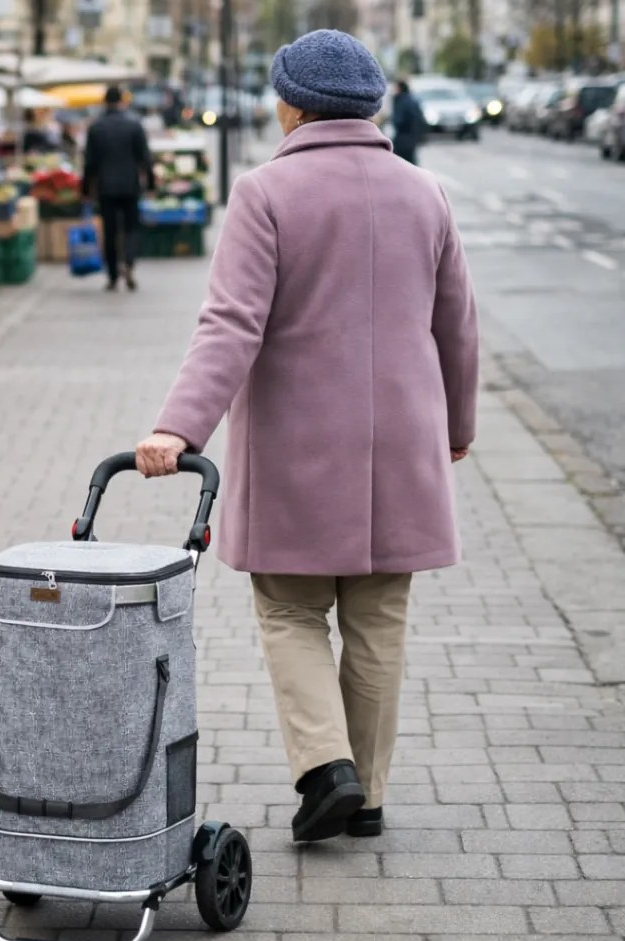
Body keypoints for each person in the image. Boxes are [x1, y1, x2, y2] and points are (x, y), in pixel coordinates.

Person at [135, 30, 479, 843]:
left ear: (290, 106)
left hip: (296, 446)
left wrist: (177, 428)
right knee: (378, 621)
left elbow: (231, 325)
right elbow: (456, 326)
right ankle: (366, 796)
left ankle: (326, 768)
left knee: (290, 611)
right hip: (402, 445)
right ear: (372, 105)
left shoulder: (265, 193)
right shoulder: (423, 192)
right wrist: (457, 428)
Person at [83, 85, 154, 292]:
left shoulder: (96, 127)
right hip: (130, 185)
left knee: (110, 231)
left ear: (104, 102)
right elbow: (145, 159)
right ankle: (129, 263)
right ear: (122, 101)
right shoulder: (134, 125)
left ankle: (113, 275)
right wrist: (150, 184)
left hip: (105, 187)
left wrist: (85, 190)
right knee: (131, 228)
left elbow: (89, 164)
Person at [391, 79, 426, 164]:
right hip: (413, 137)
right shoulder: (413, 100)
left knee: (400, 163)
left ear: (399, 88)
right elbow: (421, 119)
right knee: (412, 163)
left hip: (402, 138)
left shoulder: (400, 101)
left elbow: (398, 120)